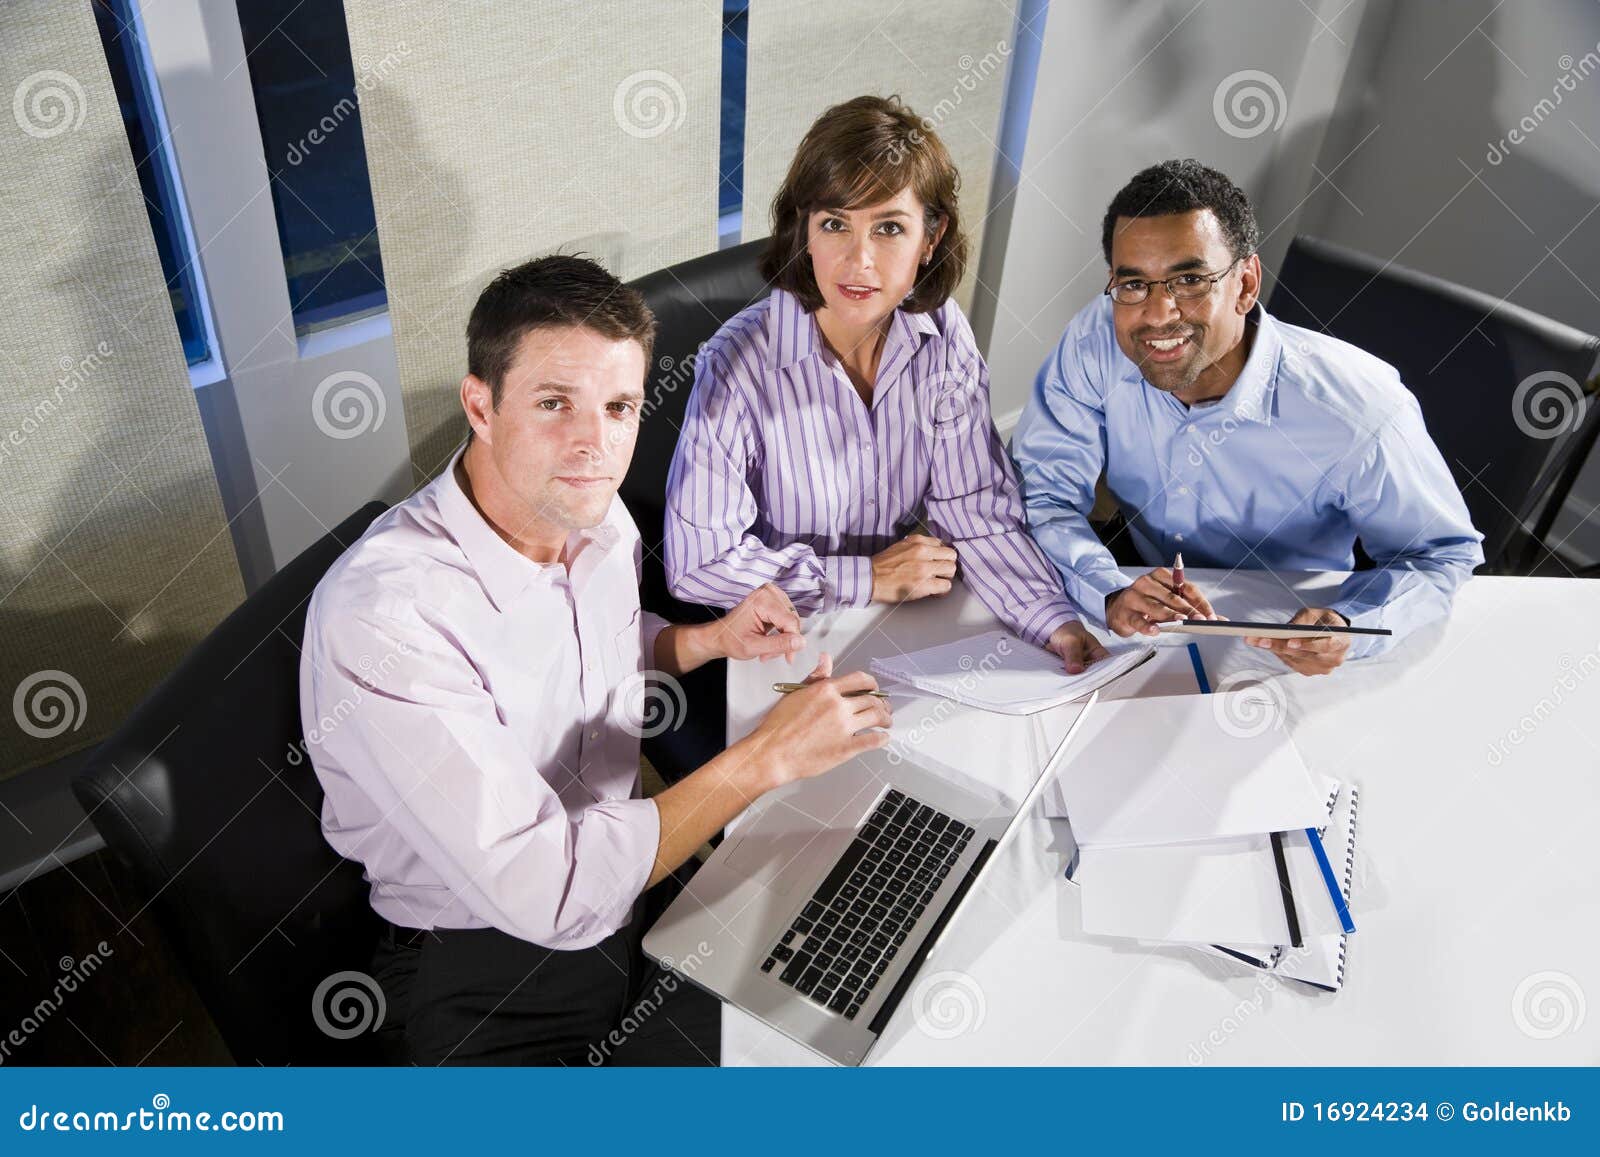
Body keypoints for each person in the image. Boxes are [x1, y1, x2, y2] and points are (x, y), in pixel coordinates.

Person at [300, 255, 892, 1065]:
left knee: (843, 1013)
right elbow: (553, 889)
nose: (595, 445)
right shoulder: (387, 615)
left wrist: (707, 640)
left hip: (632, 878)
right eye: (554, 404)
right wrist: (767, 758)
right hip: (484, 948)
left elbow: (598, 652)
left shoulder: (598, 517)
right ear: (480, 404)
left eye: (619, 407)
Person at [664, 94, 1106, 673]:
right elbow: (698, 563)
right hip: (781, 635)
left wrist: (1053, 618)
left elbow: (974, 510)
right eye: (834, 225)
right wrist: (866, 577)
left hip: (897, 620)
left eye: (890, 227)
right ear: (805, 231)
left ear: (931, 237)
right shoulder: (737, 365)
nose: (859, 260)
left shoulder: (943, 335)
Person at [1010, 159, 1484, 675]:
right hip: (1140, 609)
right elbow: (1044, 495)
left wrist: (1351, 624)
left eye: (1189, 280)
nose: (1158, 313)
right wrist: (1109, 589)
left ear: (1246, 283)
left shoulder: (1361, 409)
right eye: (1134, 284)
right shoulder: (1094, 341)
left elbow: (1440, 554)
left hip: (1286, 637)